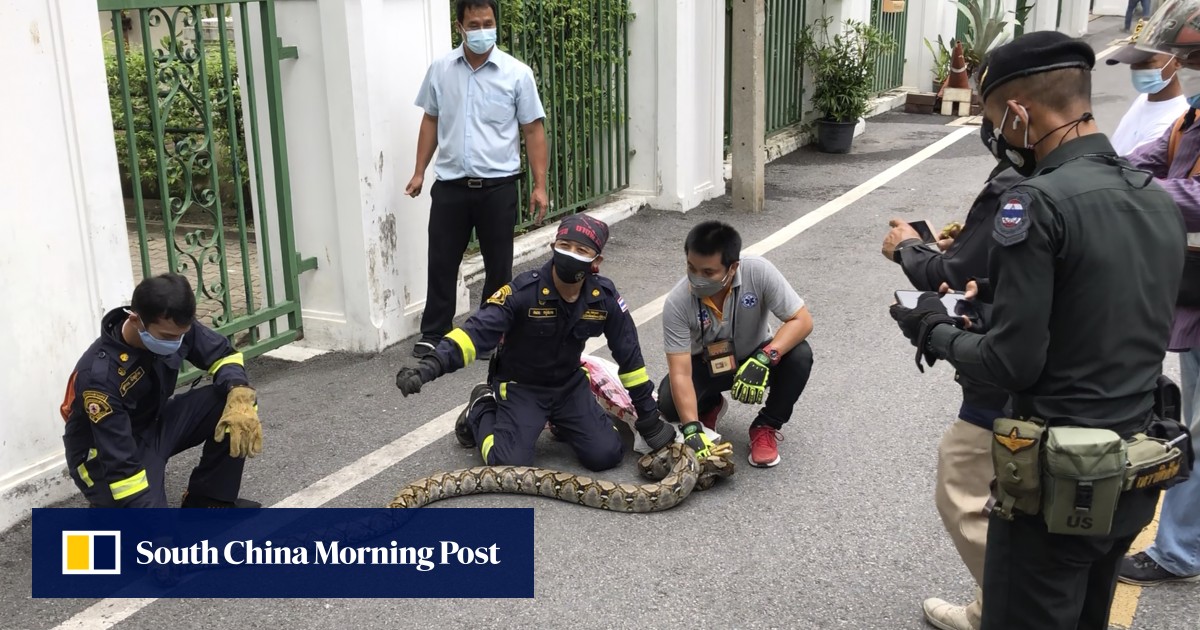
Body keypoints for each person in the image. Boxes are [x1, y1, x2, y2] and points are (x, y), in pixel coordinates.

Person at [889, 31, 1184, 630]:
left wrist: (932, 328)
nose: (999, 136)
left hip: (1058, 485)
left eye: (997, 119)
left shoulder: (1035, 204)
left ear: (1019, 113)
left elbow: (1011, 364)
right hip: (1134, 468)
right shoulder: (1154, 198)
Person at [879, 124, 1023, 630]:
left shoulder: (1019, 191)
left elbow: (954, 273)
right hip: (1096, 383)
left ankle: (1009, 611)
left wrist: (908, 248)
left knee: (962, 482)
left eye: (994, 109)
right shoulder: (1103, 174)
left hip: (1005, 379)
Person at [394, 215, 676, 470]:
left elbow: (630, 359)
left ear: (596, 262)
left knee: (607, 455)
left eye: (582, 250)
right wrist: (428, 367)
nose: (571, 254)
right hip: (521, 386)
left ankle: (564, 422)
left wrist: (648, 419)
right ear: (553, 247)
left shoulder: (603, 298)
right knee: (509, 463)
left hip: (568, 385)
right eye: (565, 245)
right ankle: (481, 407)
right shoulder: (523, 292)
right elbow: (474, 334)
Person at [406, 0, 550, 359]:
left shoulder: (517, 74)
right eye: (474, 23)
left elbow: (533, 128)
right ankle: (435, 331)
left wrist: (539, 184)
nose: (482, 29)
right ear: (460, 27)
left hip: (497, 187)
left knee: (498, 264)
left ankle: (490, 332)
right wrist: (420, 170)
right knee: (441, 260)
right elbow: (431, 120)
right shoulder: (441, 70)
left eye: (488, 22)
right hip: (452, 186)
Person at [1116, 0, 1200, 587]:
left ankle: (1177, 552)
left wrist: (1138, 190)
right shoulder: (1191, 115)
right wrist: (1105, 171)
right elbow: (1159, 156)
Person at [59, 273, 263, 508]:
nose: (176, 341)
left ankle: (207, 502)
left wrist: (238, 390)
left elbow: (224, 356)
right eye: (168, 337)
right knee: (149, 537)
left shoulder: (173, 325)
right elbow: (121, 463)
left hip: (153, 425)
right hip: (106, 456)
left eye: (181, 334)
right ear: (136, 320)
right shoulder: (100, 377)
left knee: (235, 404)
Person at [657, 221, 815, 468]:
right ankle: (710, 405)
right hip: (707, 365)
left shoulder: (759, 271)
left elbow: (802, 320)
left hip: (756, 356)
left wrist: (766, 357)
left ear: (732, 268)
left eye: (708, 273)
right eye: (691, 267)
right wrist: (690, 430)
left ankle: (766, 426)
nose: (697, 279)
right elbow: (680, 372)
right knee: (668, 403)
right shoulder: (677, 302)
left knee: (800, 355)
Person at [1106, 19, 1189, 155]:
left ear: (1177, 61)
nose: (1137, 69)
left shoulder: (1174, 121)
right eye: (1133, 63)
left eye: (1146, 63)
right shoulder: (1145, 98)